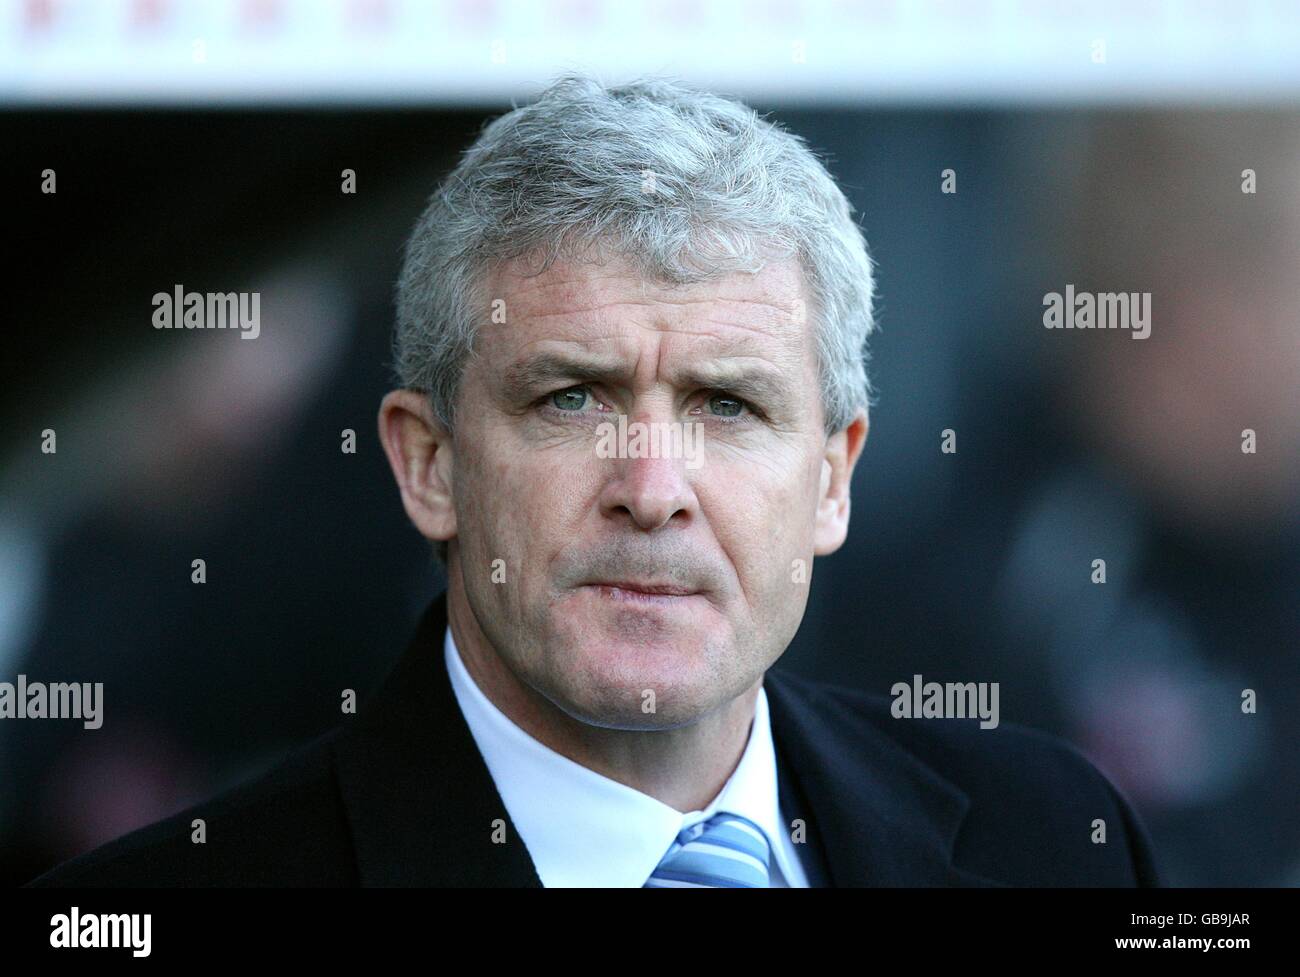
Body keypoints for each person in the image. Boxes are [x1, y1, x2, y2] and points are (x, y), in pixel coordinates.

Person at [29, 73, 1159, 888]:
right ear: (430, 465)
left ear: (831, 479)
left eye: (729, 404)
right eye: (570, 398)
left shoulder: (1053, 839)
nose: (654, 487)